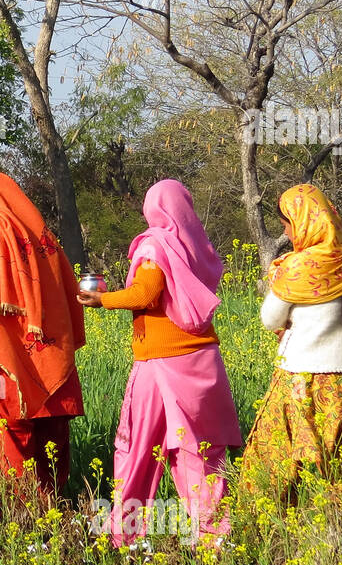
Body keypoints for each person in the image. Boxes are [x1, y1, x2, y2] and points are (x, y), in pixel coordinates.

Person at [77, 180, 241, 546]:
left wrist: (100, 301)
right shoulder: (198, 247)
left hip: (162, 364)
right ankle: (215, 541)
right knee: (201, 453)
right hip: (203, 363)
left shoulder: (156, 244)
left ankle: (125, 537)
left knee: (137, 449)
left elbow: (146, 294)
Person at [240, 184, 342, 496]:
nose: (289, 235)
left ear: (304, 221)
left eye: (287, 225)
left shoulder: (298, 266)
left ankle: (264, 534)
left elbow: (270, 319)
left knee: (273, 462)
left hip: (300, 378)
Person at [0, 170, 85, 501]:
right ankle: (54, 518)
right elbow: (68, 298)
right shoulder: (43, 236)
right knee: (52, 450)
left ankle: (19, 519)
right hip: (55, 365)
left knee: (9, 447)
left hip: (9, 368)